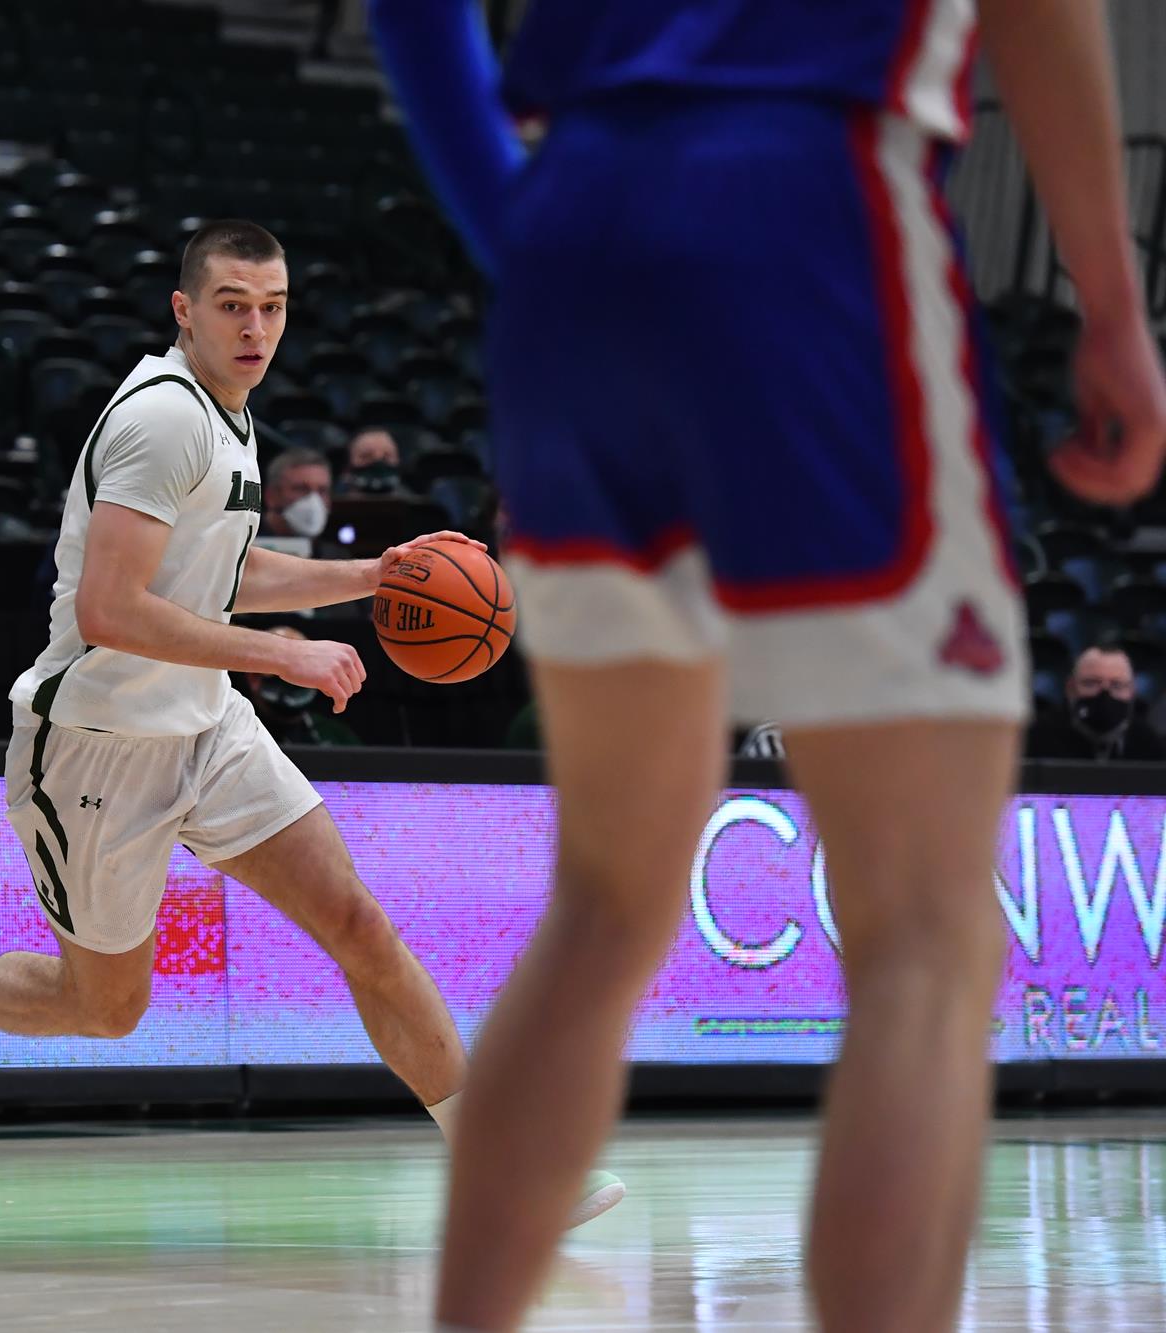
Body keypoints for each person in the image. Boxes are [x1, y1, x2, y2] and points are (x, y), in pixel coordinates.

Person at [371, 3, 1166, 1332]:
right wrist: (1115, 304)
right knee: (928, 935)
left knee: (605, 905)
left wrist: (509, 220)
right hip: (813, 210)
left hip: (575, 226)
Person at [0, 219, 623, 1229]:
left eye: (271, 306)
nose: (254, 326)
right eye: (232, 305)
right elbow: (112, 608)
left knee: (357, 923)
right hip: (95, 749)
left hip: (206, 729)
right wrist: (282, 652)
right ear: (184, 311)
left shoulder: (229, 417)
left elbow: (226, 568)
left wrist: (372, 576)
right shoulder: (162, 420)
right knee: (107, 1006)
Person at [1027, 643, 1164, 761]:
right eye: (1091, 683)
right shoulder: (1037, 739)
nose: (1104, 694)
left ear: (1132, 691)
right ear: (1070, 688)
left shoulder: (1150, 744)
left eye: (1117, 685)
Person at [244, 625, 363, 746]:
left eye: (299, 664)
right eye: (278, 670)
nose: (291, 680)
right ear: (252, 676)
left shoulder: (333, 734)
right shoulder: (238, 730)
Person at [253, 448, 333, 555]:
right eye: (301, 489)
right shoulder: (245, 545)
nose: (314, 500)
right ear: (271, 496)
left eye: (322, 491)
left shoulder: (336, 557)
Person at [338, 428, 405, 496]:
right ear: (348, 463)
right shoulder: (330, 504)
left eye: (386, 456)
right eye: (366, 456)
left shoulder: (412, 502)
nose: (378, 462)